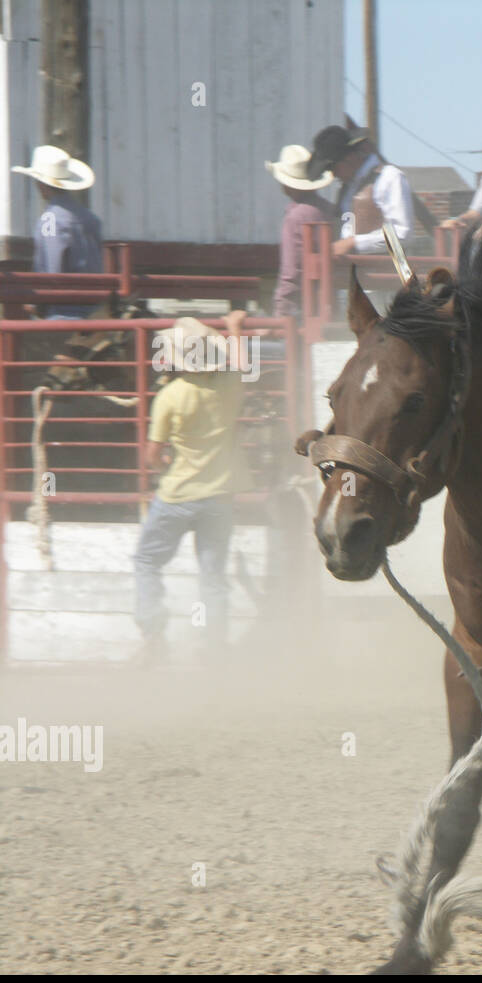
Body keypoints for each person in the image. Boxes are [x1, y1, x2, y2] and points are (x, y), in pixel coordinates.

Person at [132, 313, 252, 665]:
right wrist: (234, 328)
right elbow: (244, 364)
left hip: (177, 495)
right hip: (219, 495)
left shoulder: (169, 397)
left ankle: (154, 636)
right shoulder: (230, 384)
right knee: (212, 573)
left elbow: (152, 455)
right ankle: (214, 645)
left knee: (146, 561)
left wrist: (163, 467)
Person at [11, 145, 103, 319]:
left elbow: (51, 269)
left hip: (62, 312)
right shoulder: (90, 218)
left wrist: (37, 303)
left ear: (41, 184)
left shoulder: (50, 219)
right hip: (93, 309)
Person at [305, 124, 414, 256]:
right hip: (351, 272)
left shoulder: (390, 177)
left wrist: (354, 243)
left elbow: (403, 233)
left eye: (333, 168)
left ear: (348, 158)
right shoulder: (345, 189)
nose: (333, 175)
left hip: (384, 273)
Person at [265, 144, 336, 320]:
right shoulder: (330, 210)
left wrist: (281, 308)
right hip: (329, 302)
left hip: (303, 308)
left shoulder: (295, 217)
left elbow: (291, 271)